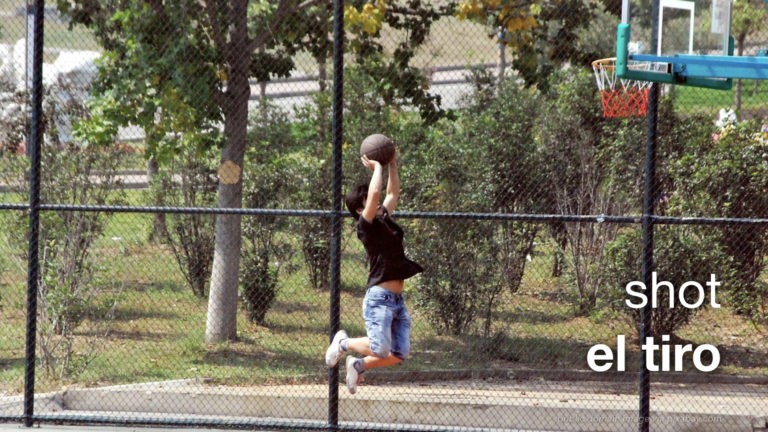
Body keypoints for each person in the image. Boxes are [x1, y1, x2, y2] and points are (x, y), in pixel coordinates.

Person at [325, 146, 423, 394]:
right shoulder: (365, 226)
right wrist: (376, 166)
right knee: (380, 347)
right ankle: (343, 343)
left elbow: (392, 192)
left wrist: (392, 163)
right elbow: (377, 191)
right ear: (360, 210)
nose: (378, 203)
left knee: (399, 353)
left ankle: (358, 365)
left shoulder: (384, 219)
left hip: (397, 300)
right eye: (371, 201)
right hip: (379, 299)